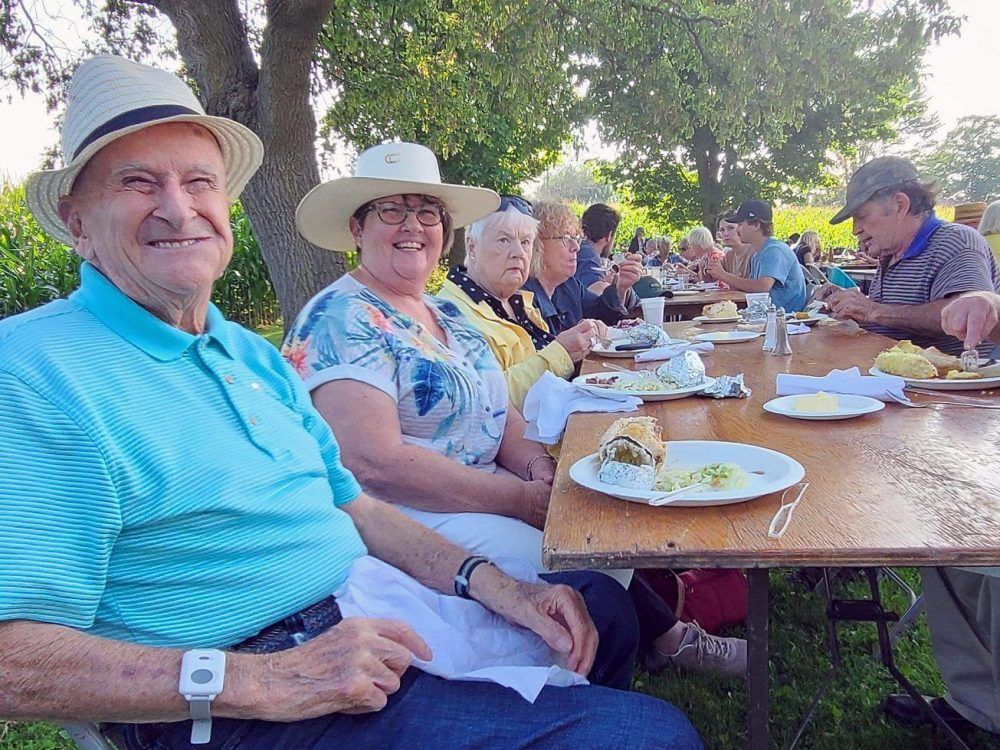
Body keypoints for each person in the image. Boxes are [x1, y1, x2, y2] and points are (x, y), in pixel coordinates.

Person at [0, 56, 703, 750]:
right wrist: (261, 680)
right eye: (137, 182)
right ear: (77, 221)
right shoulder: (32, 370)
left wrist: (496, 586)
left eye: (199, 182)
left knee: (601, 610)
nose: (179, 208)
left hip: (358, 609)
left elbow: (354, 505)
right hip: (240, 696)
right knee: (650, 737)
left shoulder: (244, 352)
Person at [284, 145, 576, 574]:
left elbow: (500, 412)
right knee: (582, 562)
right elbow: (376, 466)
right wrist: (519, 499)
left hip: (492, 495)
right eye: (391, 211)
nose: (413, 225)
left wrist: (538, 469)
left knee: (603, 530)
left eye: (427, 212)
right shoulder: (340, 317)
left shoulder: (449, 315)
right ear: (357, 229)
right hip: (409, 521)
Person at [883, 290, 1000, 736]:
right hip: (967, 420)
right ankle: (977, 705)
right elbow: (982, 315)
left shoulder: (956, 252)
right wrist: (988, 302)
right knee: (946, 527)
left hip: (968, 417)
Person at [813, 156, 1000, 355]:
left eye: (861, 216)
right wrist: (851, 304)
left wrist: (873, 310)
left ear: (900, 205)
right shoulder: (891, 253)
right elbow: (890, 314)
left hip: (946, 372)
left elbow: (967, 314)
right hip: (887, 368)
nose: (855, 229)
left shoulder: (956, 240)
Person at [437, 196, 597, 412]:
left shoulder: (517, 301)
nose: (518, 253)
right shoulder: (450, 314)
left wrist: (583, 341)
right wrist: (562, 353)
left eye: (525, 242)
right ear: (471, 247)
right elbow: (485, 402)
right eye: (504, 240)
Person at [522, 202, 642, 334]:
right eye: (566, 238)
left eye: (575, 238)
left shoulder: (569, 286)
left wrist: (621, 287)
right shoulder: (522, 299)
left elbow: (602, 315)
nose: (576, 247)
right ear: (536, 243)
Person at [706, 200, 807, 312]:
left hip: (785, 318)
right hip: (764, 315)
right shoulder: (757, 253)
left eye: (740, 224)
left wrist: (723, 275)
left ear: (756, 225)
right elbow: (750, 289)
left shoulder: (775, 250)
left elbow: (762, 287)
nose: (737, 230)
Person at [575, 202, 622, 293]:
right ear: (609, 235)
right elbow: (597, 291)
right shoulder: (588, 254)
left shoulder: (580, 249)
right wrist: (620, 286)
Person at [718, 211, 753, 278]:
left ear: (740, 227)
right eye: (722, 230)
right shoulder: (728, 256)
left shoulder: (754, 253)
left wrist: (722, 274)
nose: (726, 234)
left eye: (731, 228)